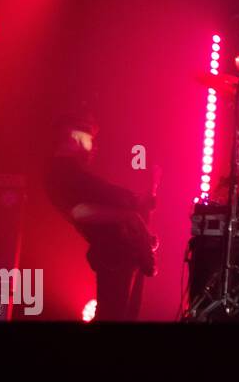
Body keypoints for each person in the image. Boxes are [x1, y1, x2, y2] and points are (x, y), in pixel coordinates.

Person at [45, 110, 156, 321]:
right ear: (74, 136)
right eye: (91, 139)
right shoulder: (61, 173)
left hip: (123, 254)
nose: (94, 147)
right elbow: (79, 211)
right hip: (114, 256)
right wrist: (128, 217)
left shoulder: (75, 173)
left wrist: (143, 198)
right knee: (114, 317)